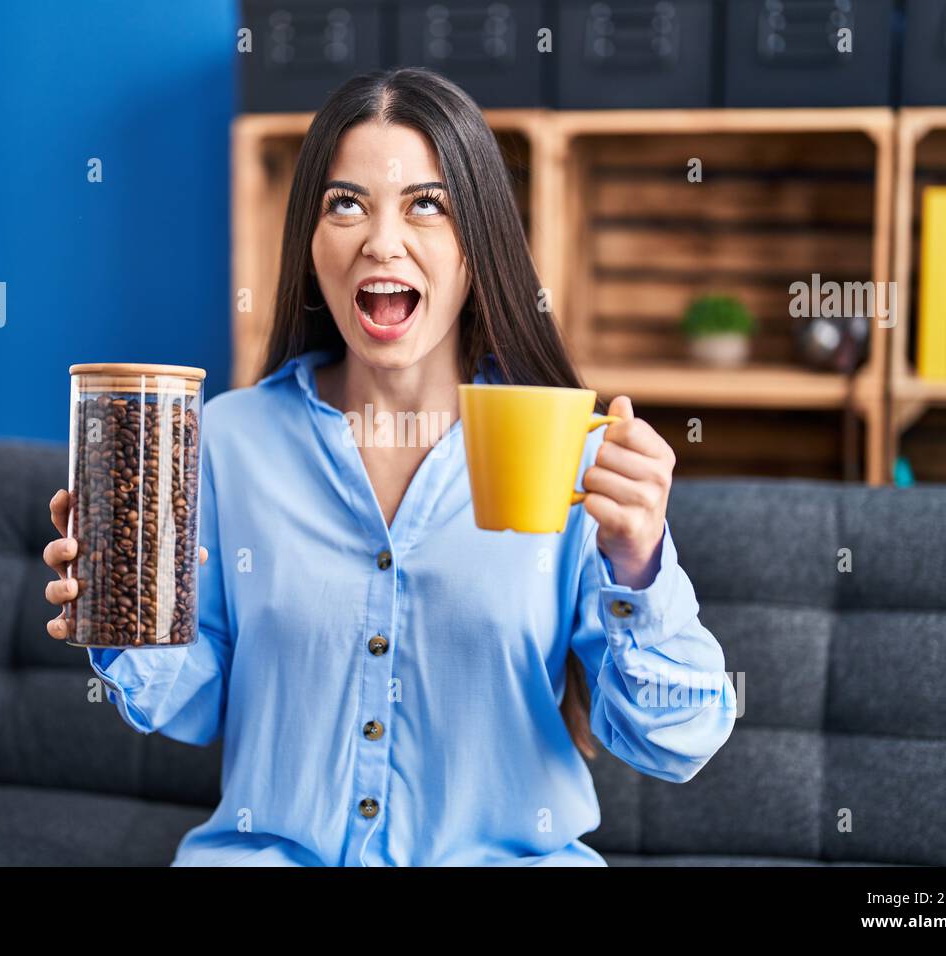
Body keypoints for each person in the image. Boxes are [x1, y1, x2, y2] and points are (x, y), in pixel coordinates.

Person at [43, 67, 737, 866]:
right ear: (310, 239)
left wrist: (641, 567)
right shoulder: (228, 441)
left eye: (426, 205)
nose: (381, 240)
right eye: (346, 203)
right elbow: (194, 701)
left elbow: (677, 740)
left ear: (477, 245)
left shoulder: (569, 454)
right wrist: (122, 610)